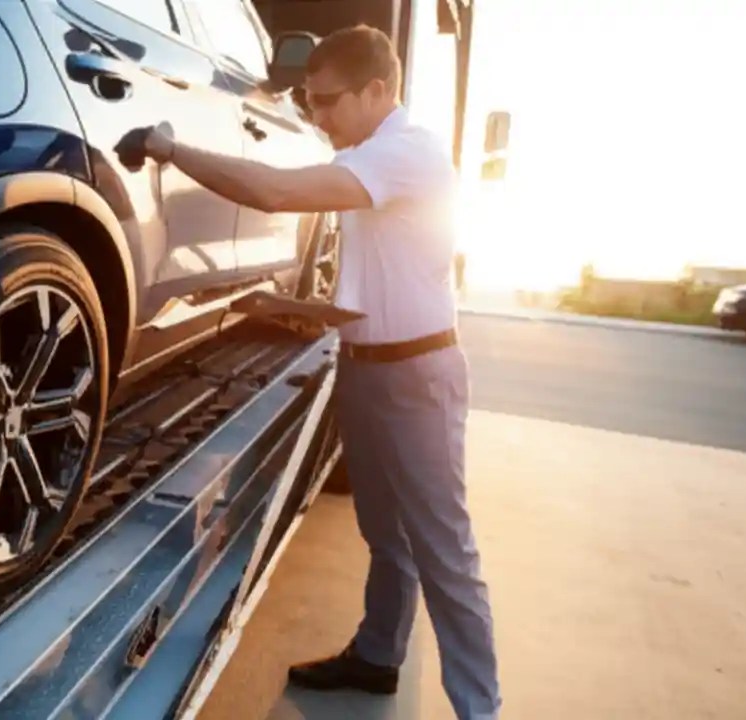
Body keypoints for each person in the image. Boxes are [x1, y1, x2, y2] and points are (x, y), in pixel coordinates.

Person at [121, 24, 501, 720]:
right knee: (387, 538)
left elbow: (273, 193)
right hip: (367, 368)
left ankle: (480, 710)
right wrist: (285, 306)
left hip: (418, 377)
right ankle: (378, 657)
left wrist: (171, 150)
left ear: (377, 91)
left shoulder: (406, 153)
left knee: (445, 552)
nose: (316, 116)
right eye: (310, 101)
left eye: (327, 101)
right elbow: (366, 296)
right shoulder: (365, 161)